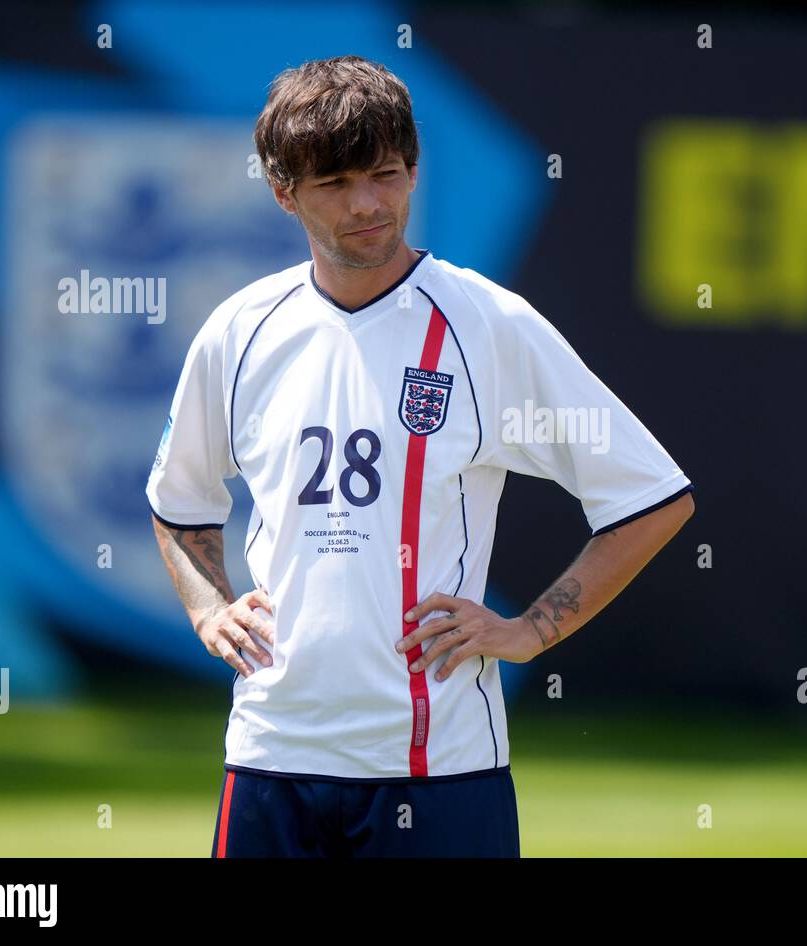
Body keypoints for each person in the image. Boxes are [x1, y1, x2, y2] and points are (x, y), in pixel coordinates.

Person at [146, 55, 694, 858]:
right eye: (335, 183)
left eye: (387, 174)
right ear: (283, 191)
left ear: (413, 171)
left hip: (441, 769)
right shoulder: (239, 330)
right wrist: (207, 607)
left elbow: (652, 498)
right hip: (271, 757)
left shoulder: (487, 322)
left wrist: (530, 629)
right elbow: (179, 500)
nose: (368, 203)